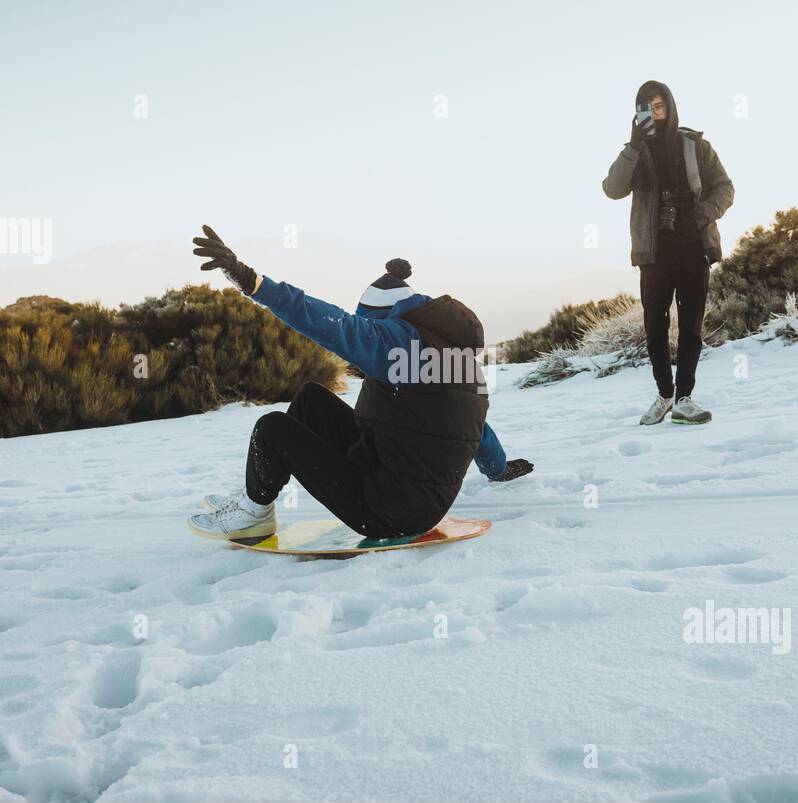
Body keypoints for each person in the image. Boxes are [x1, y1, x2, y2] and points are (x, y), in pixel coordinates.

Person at [185, 226, 533, 541]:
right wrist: (499, 470)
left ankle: (254, 512)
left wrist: (251, 282)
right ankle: (256, 492)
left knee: (272, 428)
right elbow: (477, 431)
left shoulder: (398, 343)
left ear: (379, 320)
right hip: (402, 486)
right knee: (311, 399)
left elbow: (327, 321)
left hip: (389, 512)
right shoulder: (455, 359)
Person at [603, 80, 734, 425]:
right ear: (637, 112)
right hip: (654, 254)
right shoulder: (635, 151)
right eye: (646, 108)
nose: (654, 114)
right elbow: (612, 189)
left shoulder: (695, 145)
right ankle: (664, 395)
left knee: (690, 328)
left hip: (693, 248)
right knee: (654, 328)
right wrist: (633, 145)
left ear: (670, 107)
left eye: (659, 106)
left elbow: (725, 187)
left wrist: (702, 214)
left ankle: (684, 398)